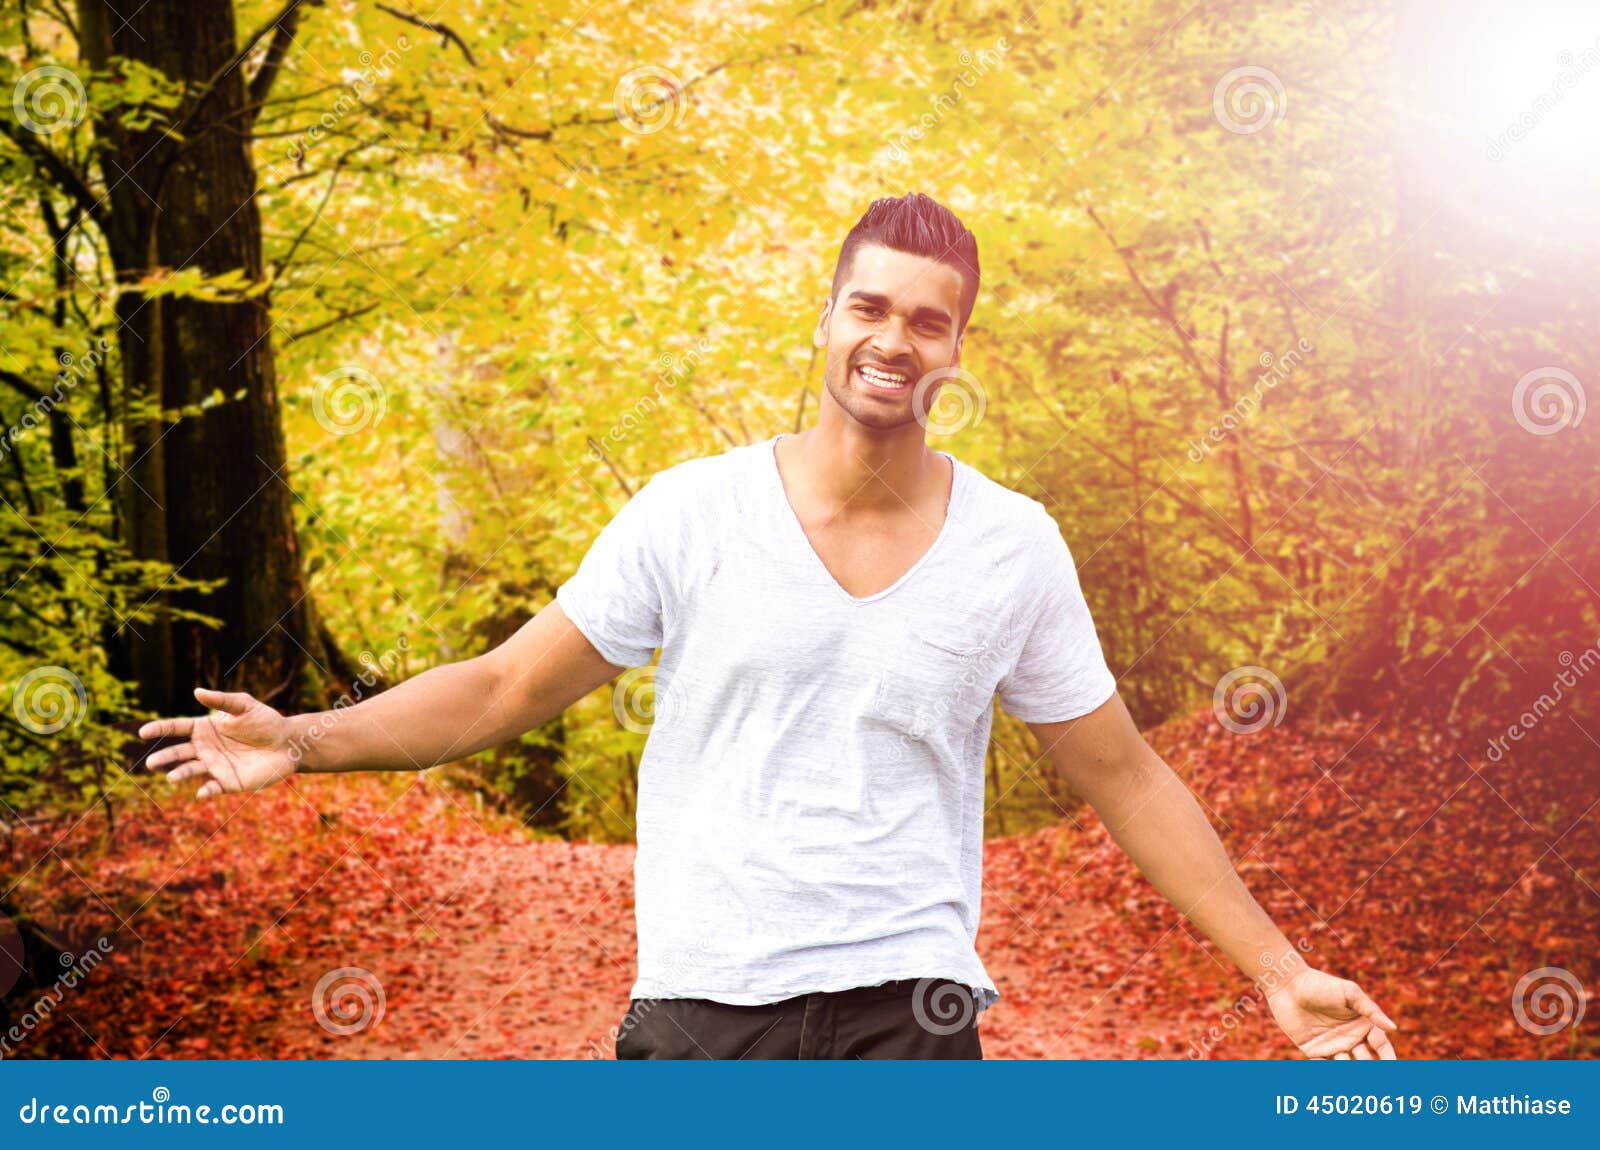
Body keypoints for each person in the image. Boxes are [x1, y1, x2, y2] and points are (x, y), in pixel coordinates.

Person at [137, 193, 1399, 1062]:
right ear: (827, 314)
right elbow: (502, 686)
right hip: (702, 1012)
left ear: (957, 348)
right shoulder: (692, 512)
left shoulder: (1013, 546)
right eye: (871, 307)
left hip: (913, 1011)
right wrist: (302, 739)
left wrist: (1277, 967)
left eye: (926, 319)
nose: (892, 339)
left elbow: (1122, 772)